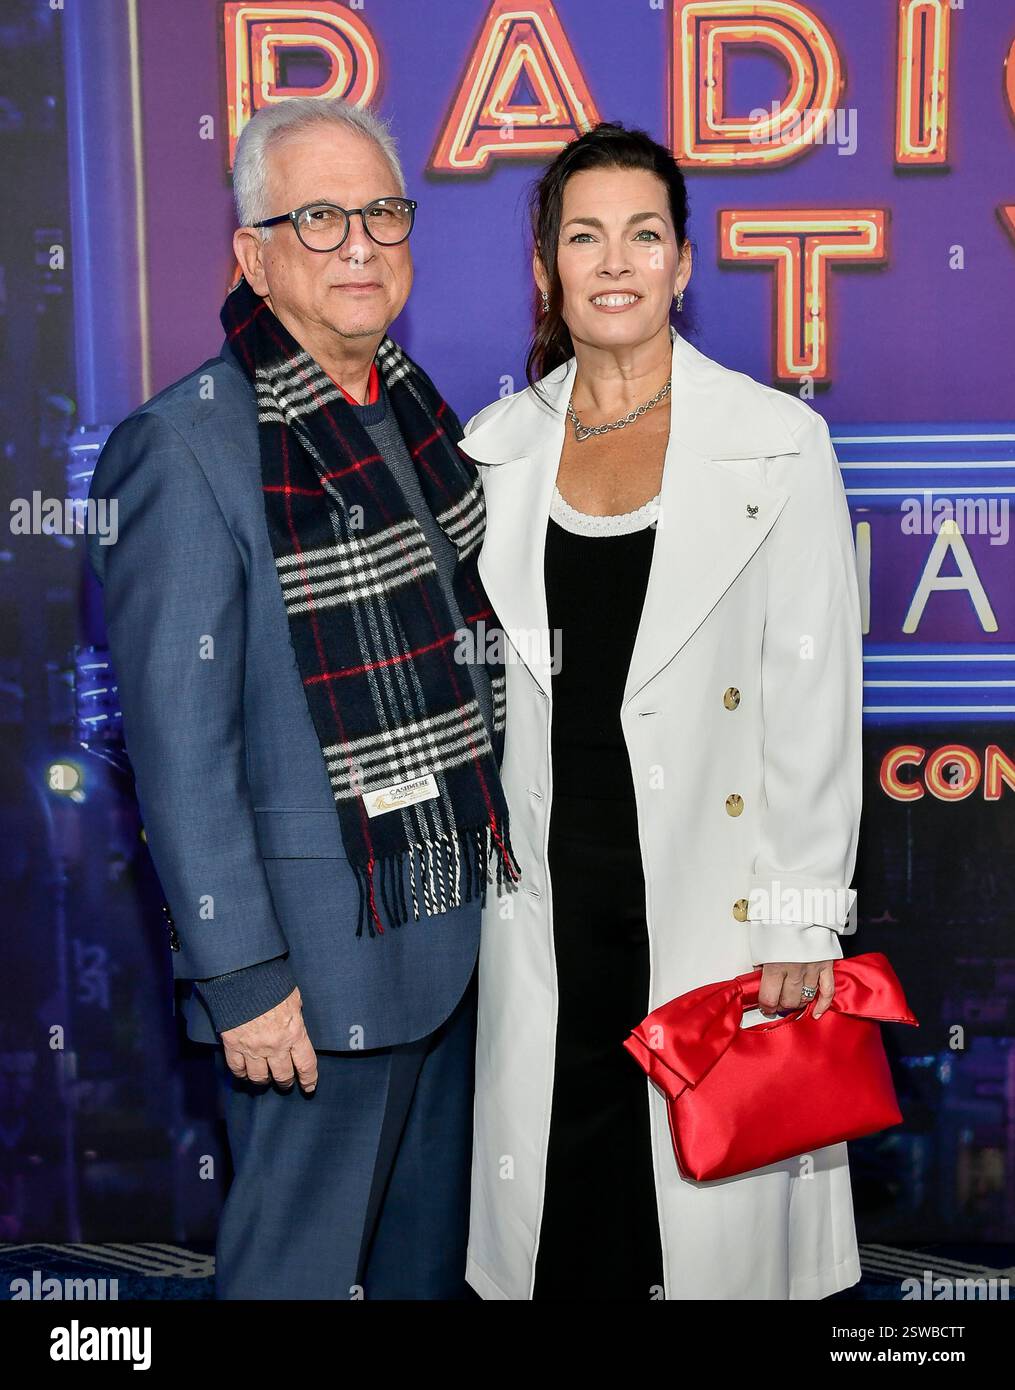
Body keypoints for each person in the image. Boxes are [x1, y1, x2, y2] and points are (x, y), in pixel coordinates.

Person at [86, 96, 518, 1300]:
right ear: (252, 254)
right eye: (316, 218)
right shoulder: (184, 446)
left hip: (447, 937)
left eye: (380, 213)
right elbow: (179, 749)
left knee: (423, 1281)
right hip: (308, 978)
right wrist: (243, 978)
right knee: (292, 1282)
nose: (359, 245)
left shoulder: (420, 418)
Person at [459, 122, 864, 1300]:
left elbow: (813, 699)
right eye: (584, 235)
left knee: (702, 1247)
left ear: (684, 263)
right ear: (546, 268)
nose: (616, 261)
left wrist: (800, 916)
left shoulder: (778, 443)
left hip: (717, 913)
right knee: (566, 1231)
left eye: (644, 233)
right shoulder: (493, 453)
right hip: (548, 915)